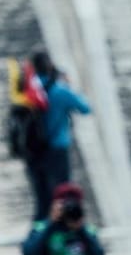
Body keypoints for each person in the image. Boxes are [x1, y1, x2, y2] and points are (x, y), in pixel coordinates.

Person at [27, 51, 90, 223]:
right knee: (62, 192)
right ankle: (64, 226)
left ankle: (40, 230)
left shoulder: (29, 92)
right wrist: (68, 85)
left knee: (42, 197)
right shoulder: (60, 90)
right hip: (57, 147)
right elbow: (85, 108)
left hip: (34, 151)